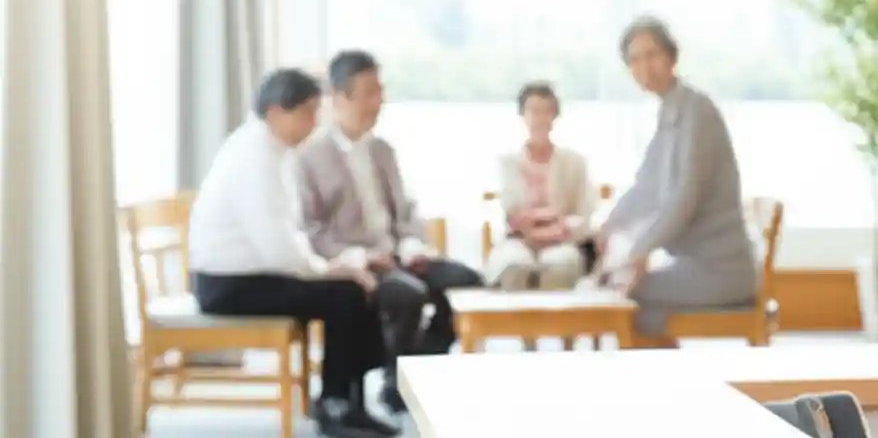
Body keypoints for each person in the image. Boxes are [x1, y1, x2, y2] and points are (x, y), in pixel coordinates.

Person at [188, 69, 398, 438]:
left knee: (354, 289)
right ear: (275, 113)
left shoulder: (270, 150)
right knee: (347, 295)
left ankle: (350, 402)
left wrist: (331, 267)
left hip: (249, 276)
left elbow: (287, 239)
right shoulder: (255, 158)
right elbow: (278, 249)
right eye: (307, 113)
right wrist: (330, 269)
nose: (314, 123)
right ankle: (335, 405)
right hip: (228, 285)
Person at [295, 50, 482, 414]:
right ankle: (399, 380)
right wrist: (362, 257)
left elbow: (406, 208)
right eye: (370, 92)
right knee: (408, 294)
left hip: (399, 254)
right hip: (358, 263)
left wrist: (412, 242)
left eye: (380, 91)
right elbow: (311, 229)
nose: (379, 102)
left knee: (467, 282)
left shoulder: (382, 149)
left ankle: (409, 371)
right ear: (340, 97)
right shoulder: (310, 157)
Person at [595, 16, 758, 337]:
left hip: (721, 270)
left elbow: (684, 199)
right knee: (618, 284)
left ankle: (652, 363)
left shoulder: (697, 111)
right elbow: (646, 188)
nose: (645, 67)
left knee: (621, 290)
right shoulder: (670, 111)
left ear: (672, 57)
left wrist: (638, 253)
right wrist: (608, 227)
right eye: (634, 60)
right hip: (691, 264)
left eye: (652, 55)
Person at [486, 81, 597, 290]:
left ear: (555, 116)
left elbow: (585, 212)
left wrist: (560, 227)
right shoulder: (507, 163)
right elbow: (507, 213)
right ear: (523, 115)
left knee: (561, 265)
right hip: (517, 241)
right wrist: (538, 223)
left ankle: (556, 313)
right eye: (534, 111)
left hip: (562, 240)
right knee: (513, 266)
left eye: (546, 111)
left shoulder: (574, 162)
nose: (540, 119)